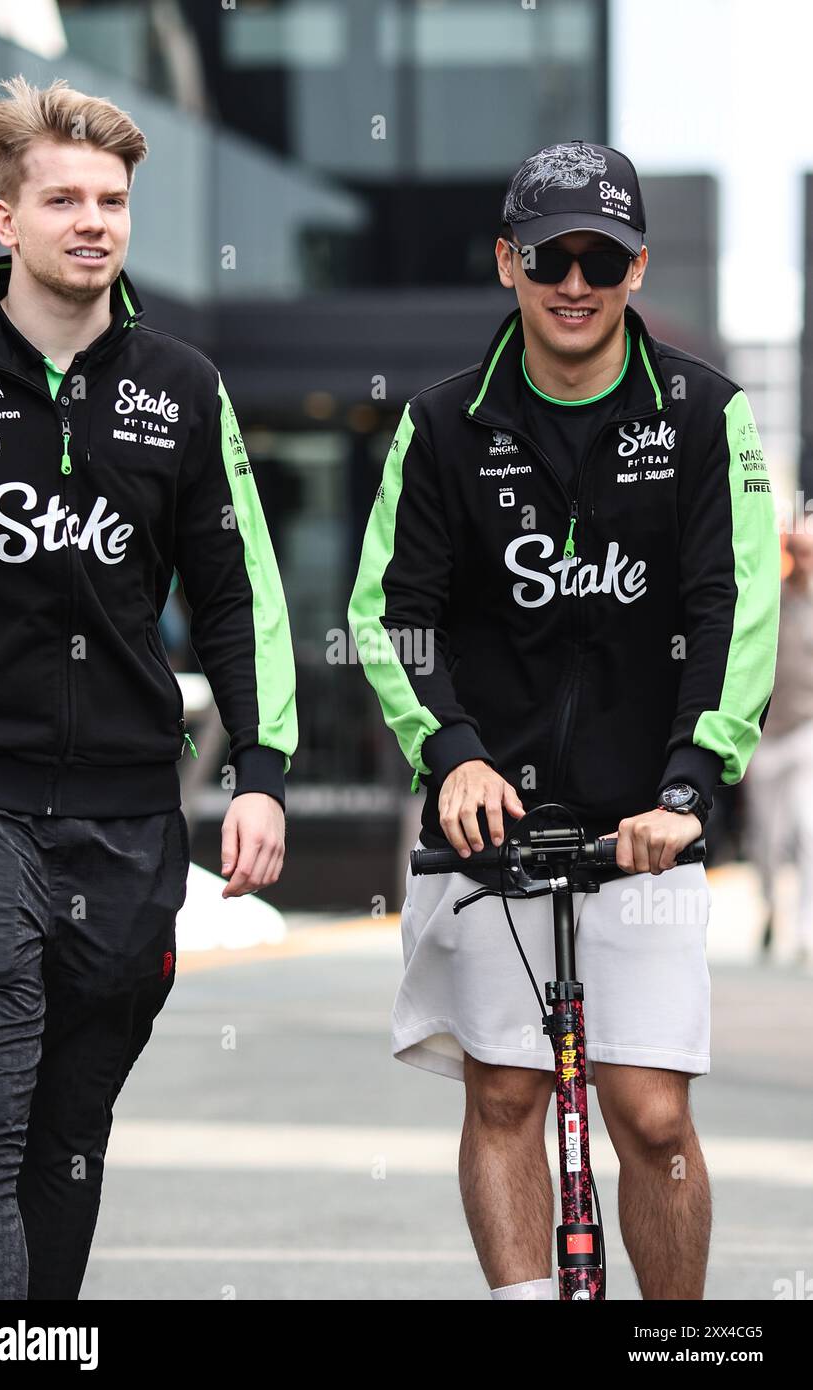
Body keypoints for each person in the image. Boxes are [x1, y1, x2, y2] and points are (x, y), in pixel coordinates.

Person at [348, 141, 780, 1300]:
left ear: (634, 267)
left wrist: (690, 784)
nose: (573, 281)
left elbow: (729, 607)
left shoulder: (705, 415)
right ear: (507, 260)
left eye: (601, 256)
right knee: (504, 1093)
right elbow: (391, 614)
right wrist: (451, 759)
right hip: (488, 824)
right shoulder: (439, 425)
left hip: (643, 819)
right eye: (549, 255)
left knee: (650, 1113)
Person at [0, 76, 296, 1299]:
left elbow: (239, 589)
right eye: (62, 200)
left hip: (132, 822)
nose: (91, 220)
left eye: (111, 199)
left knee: (68, 1131)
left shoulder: (184, 388)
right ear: (7, 222)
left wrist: (261, 771)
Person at [744, 530, 813, 965]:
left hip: (807, 732)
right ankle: (771, 904)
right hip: (765, 737)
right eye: (798, 553)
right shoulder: (771, 599)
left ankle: (807, 928)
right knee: (767, 841)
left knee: (808, 830)